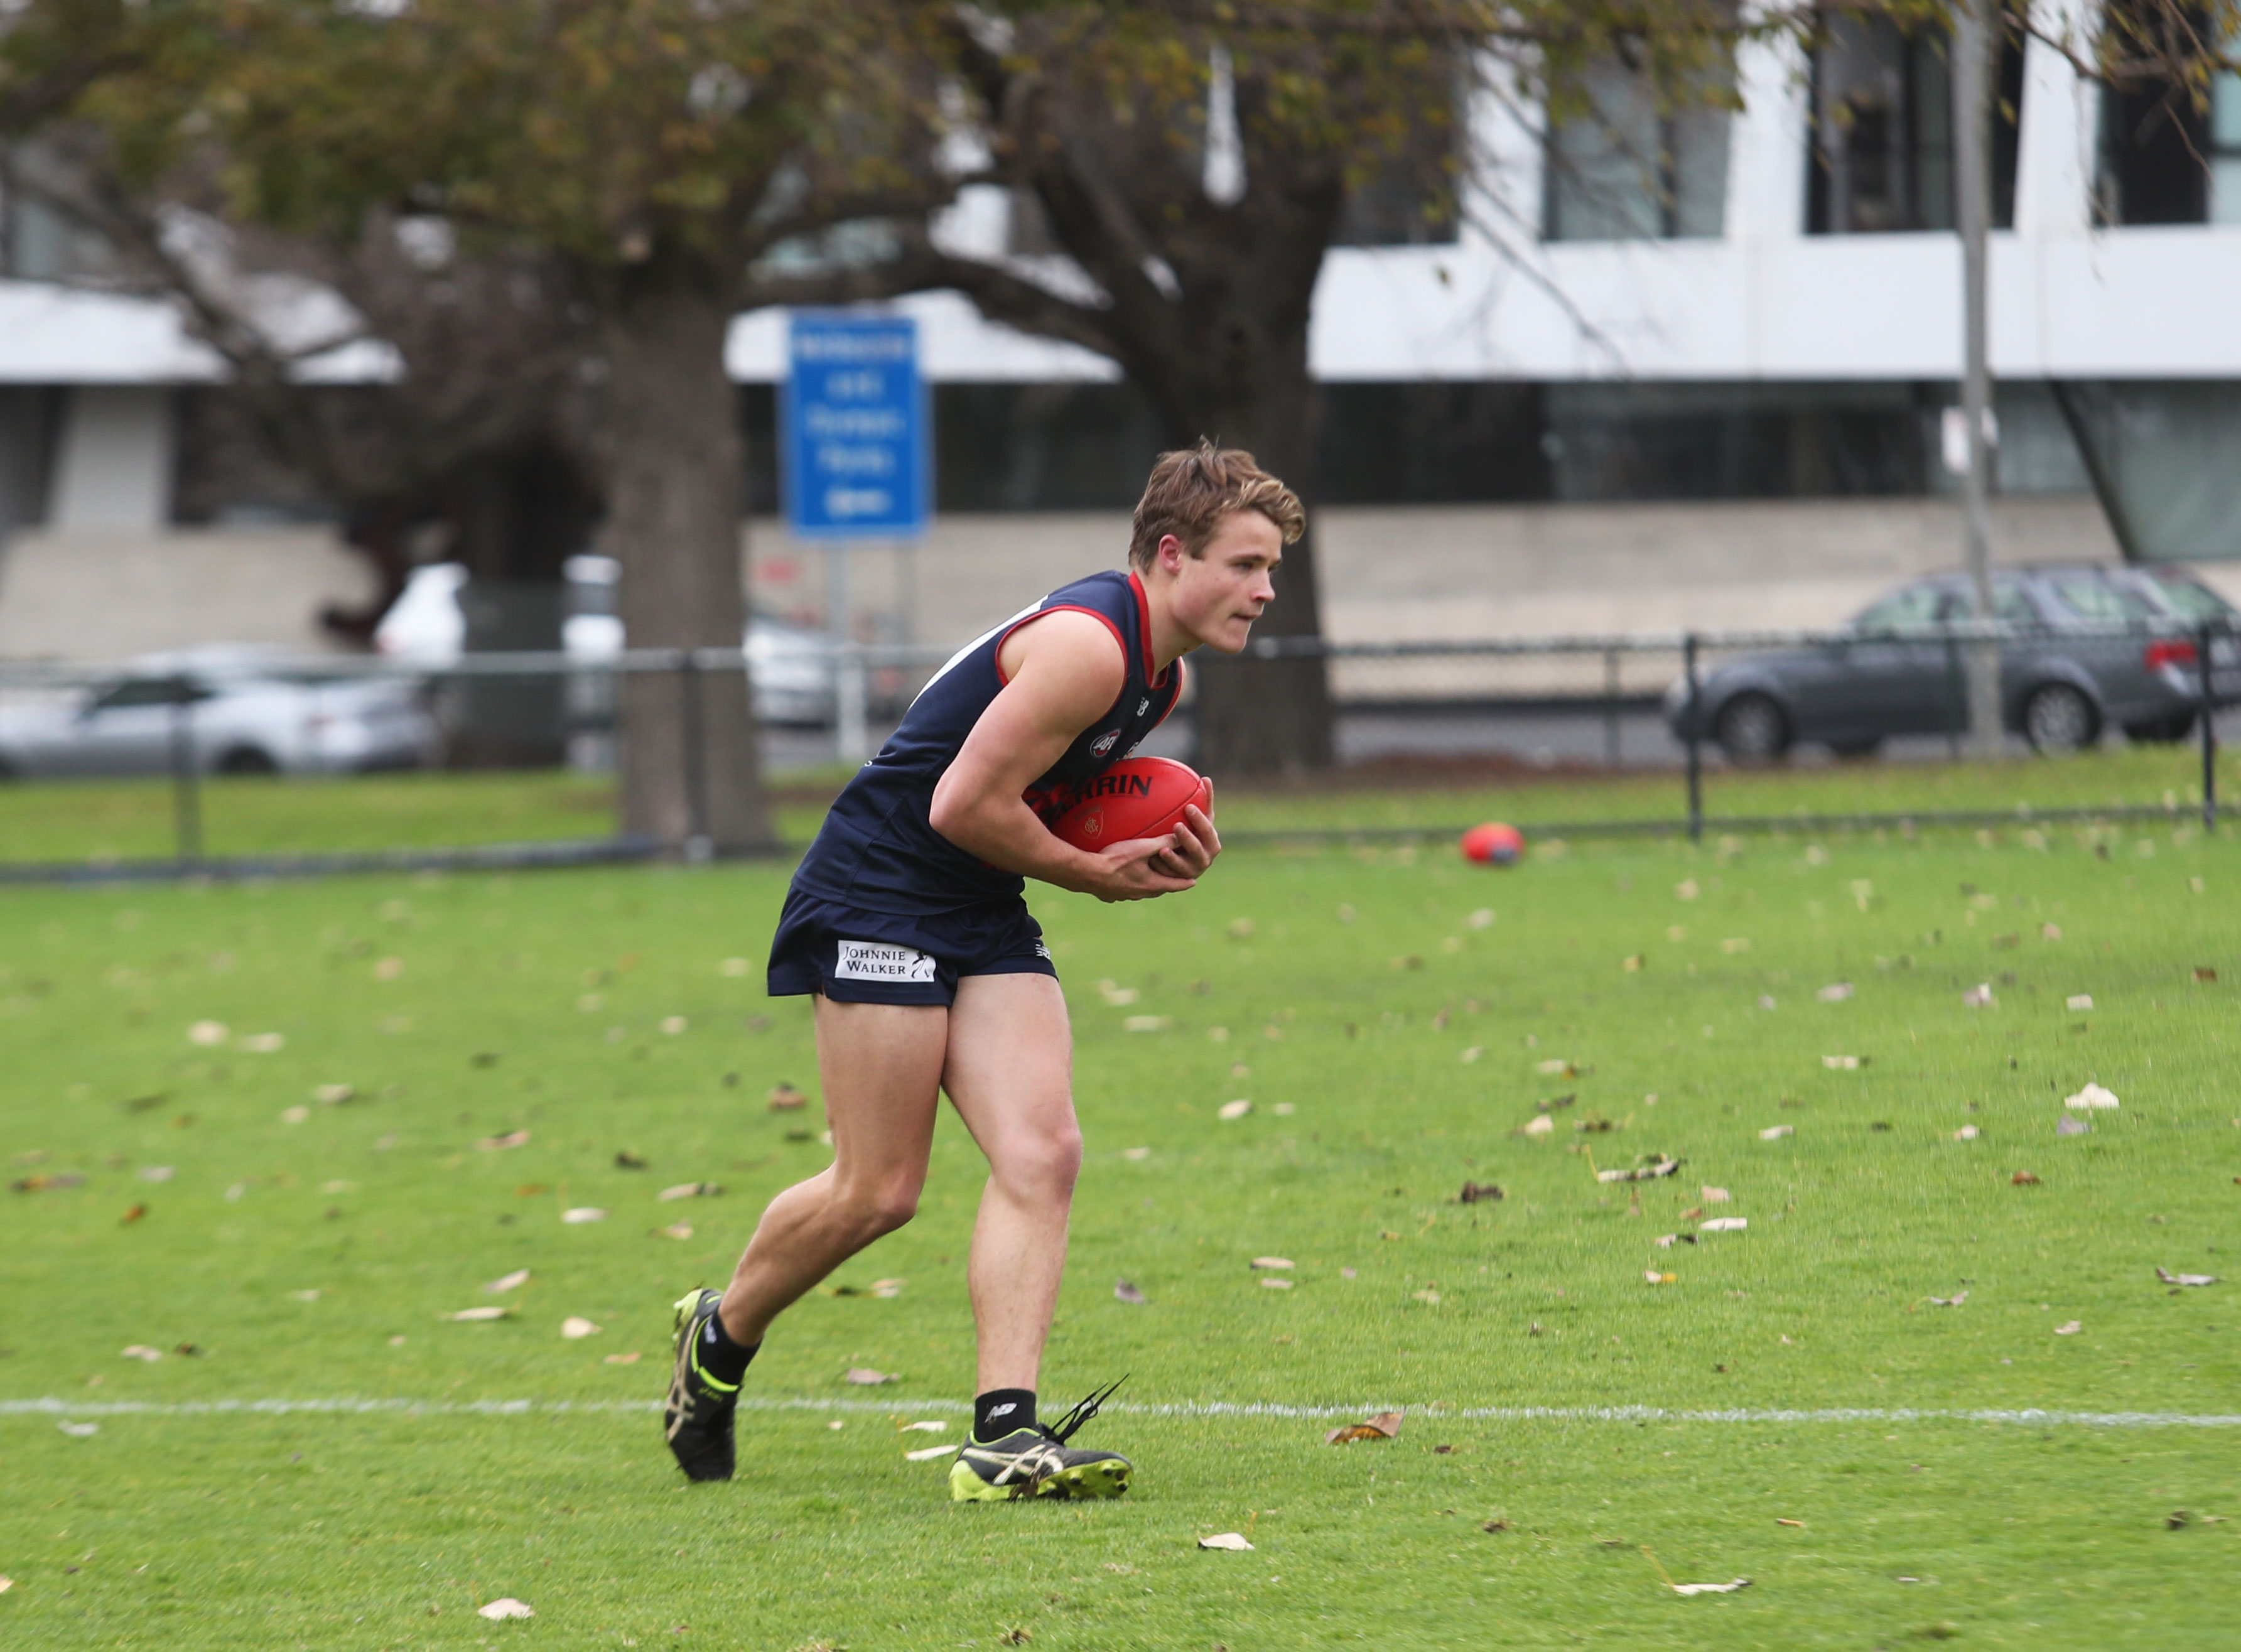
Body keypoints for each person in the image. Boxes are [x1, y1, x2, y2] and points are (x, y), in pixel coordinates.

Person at [663, 440, 1304, 1501]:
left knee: (1043, 1151)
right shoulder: (1090, 648)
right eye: (1246, 564)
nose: (1265, 589)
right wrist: (1088, 874)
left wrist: (1155, 839)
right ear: (1173, 554)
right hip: (876, 889)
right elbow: (955, 806)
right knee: (878, 1190)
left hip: (975, 899)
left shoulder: (1162, 675)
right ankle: (720, 1337)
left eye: (1271, 568)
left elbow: (1029, 805)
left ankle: (1003, 1440)